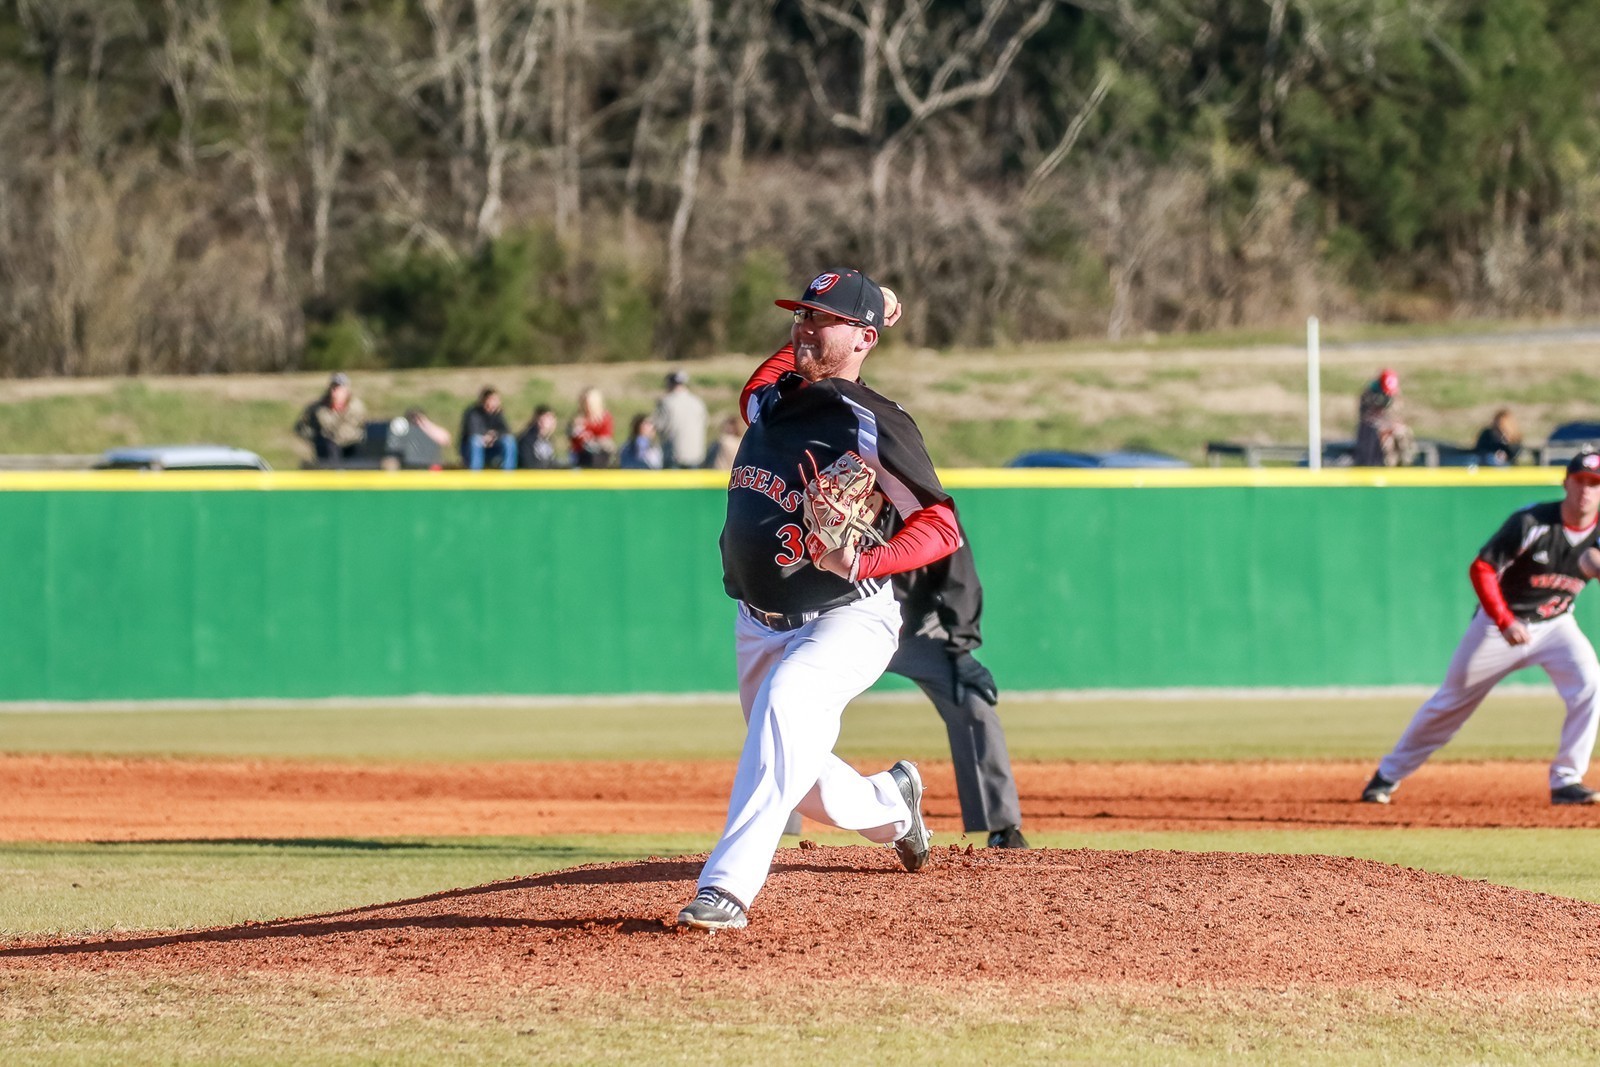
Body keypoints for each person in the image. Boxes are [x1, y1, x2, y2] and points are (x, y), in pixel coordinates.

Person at [677, 268, 955, 932]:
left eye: (819, 318)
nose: (802, 326)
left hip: (846, 615)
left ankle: (727, 888)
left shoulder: (873, 422)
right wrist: (855, 318)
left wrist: (870, 557)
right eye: (799, 315)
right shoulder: (773, 400)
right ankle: (894, 803)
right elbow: (758, 383)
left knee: (787, 705)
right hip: (757, 620)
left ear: (861, 338)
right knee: (797, 770)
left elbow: (941, 525)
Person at [1361, 448, 1600, 807]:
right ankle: (1386, 776)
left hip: (1556, 625)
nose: (1586, 489)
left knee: (1589, 684)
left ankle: (1566, 781)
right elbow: (1482, 568)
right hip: (1500, 623)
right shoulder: (1531, 522)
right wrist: (1504, 619)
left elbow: (1591, 559)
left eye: (1594, 483)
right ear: (1565, 482)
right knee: (1449, 704)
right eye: (1579, 480)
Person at [888, 536, 1028, 847]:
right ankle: (776, 823)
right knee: (793, 701)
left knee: (973, 705)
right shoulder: (823, 493)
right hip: (840, 624)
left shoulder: (921, 499)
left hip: (916, 629)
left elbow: (958, 575)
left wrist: (961, 648)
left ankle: (1001, 827)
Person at [294, 372, 368, 466]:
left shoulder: (357, 407)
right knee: (328, 446)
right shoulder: (317, 408)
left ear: (347, 390)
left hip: (351, 446)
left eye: (340, 388)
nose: (335, 391)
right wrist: (317, 438)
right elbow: (301, 427)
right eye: (334, 387)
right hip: (328, 450)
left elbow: (363, 428)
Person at [1351, 368, 1417, 467]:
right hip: (1372, 430)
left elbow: (1397, 411)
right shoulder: (1370, 394)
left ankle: (1405, 462)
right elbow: (1368, 417)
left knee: (1403, 434)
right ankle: (1384, 464)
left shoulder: (1394, 394)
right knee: (1385, 442)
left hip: (1389, 425)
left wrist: (1394, 425)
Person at [653, 369, 708, 469]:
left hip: (673, 454)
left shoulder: (666, 402)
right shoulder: (697, 402)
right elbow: (705, 423)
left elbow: (659, 426)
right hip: (696, 454)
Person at [459, 387, 516, 470]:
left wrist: (494, 436)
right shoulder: (473, 413)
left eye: (496, 400)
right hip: (473, 448)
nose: (495, 403)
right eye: (492, 400)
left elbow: (505, 431)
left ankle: (508, 473)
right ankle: (475, 474)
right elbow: (472, 431)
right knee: (476, 441)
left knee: (509, 441)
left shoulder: (498, 414)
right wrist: (485, 436)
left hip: (492, 447)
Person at [568, 387, 616, 468]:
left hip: (600, 456)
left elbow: (606, 439)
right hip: (580, 456)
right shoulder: (577, 419)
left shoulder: (605, 418)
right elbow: (575, 439)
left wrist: (592, 439)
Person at [516, 405, 568, 469]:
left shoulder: (548, 440)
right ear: (539, 420)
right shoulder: (526, 440)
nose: (553, 422)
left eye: (553, 419)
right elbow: (528, 464)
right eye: (549, 418)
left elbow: (551, 462)